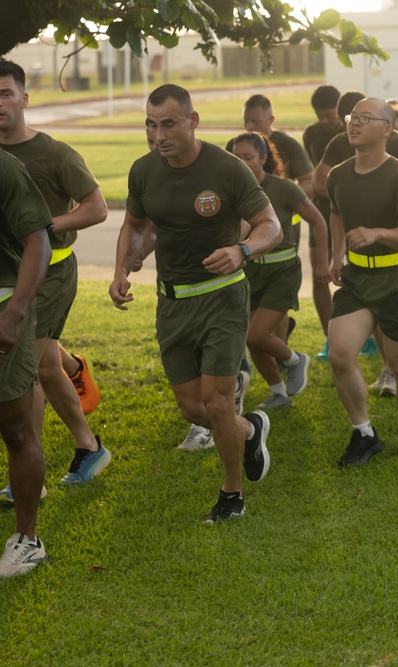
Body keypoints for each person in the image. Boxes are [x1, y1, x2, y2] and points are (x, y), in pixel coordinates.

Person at [110, 84, 281, 524]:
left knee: (219, 402)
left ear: (193, 121)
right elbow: (133, 224)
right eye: (151, 124)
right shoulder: (143, 171)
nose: (158, 135)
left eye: (168, 124)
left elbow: (271, 226)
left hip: (222, 299)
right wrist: (121, 269)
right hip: (172, 303)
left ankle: (232, 495)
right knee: (192, 408)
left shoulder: (226, 169)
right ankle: (249, 431)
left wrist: (242, 250)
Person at [0, 60, 111, 497]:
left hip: (54, 270)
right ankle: (84, 435)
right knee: (43, 364)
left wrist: (48, 228)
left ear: (25, 99)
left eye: (6, 93)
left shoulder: (54, 153)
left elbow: (97, 207)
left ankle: (45, 465)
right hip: (13, 276)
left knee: (32, 367)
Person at [326, 97, 398, 466]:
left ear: (387, 129)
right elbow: (336, 212)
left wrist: (377, 234)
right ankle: (364, 434)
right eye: (353, 117)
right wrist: (335, 255)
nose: (354, 123)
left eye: (365, 118)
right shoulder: (337, 174)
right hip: (356, 279)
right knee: (339, 355)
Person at [229, 132, 328, 408]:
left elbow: (319, 222)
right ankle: (280, 393)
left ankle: (296, 360)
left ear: (263, 158)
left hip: (283, 272)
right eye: (236, 157)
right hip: (251, 274)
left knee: (257, 335)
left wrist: (322, 262)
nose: (242, 163)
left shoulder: (283, 188)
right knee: (254, 342)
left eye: (248, 157)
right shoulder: (233, 189)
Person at [0, 148, 52, 577]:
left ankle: (27, 539)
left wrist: (15, 314)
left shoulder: (5, 168)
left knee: (16, 428)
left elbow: (39, 242)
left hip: (3, 313)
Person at [302, 85, 342, 361]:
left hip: (354, 210)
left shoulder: (352, 130)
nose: (326, 121)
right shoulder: (311, 134)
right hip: (322, 210)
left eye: (330, 115)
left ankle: (370, 338)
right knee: (320, 275)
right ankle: (330, 339)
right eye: (321, 116)